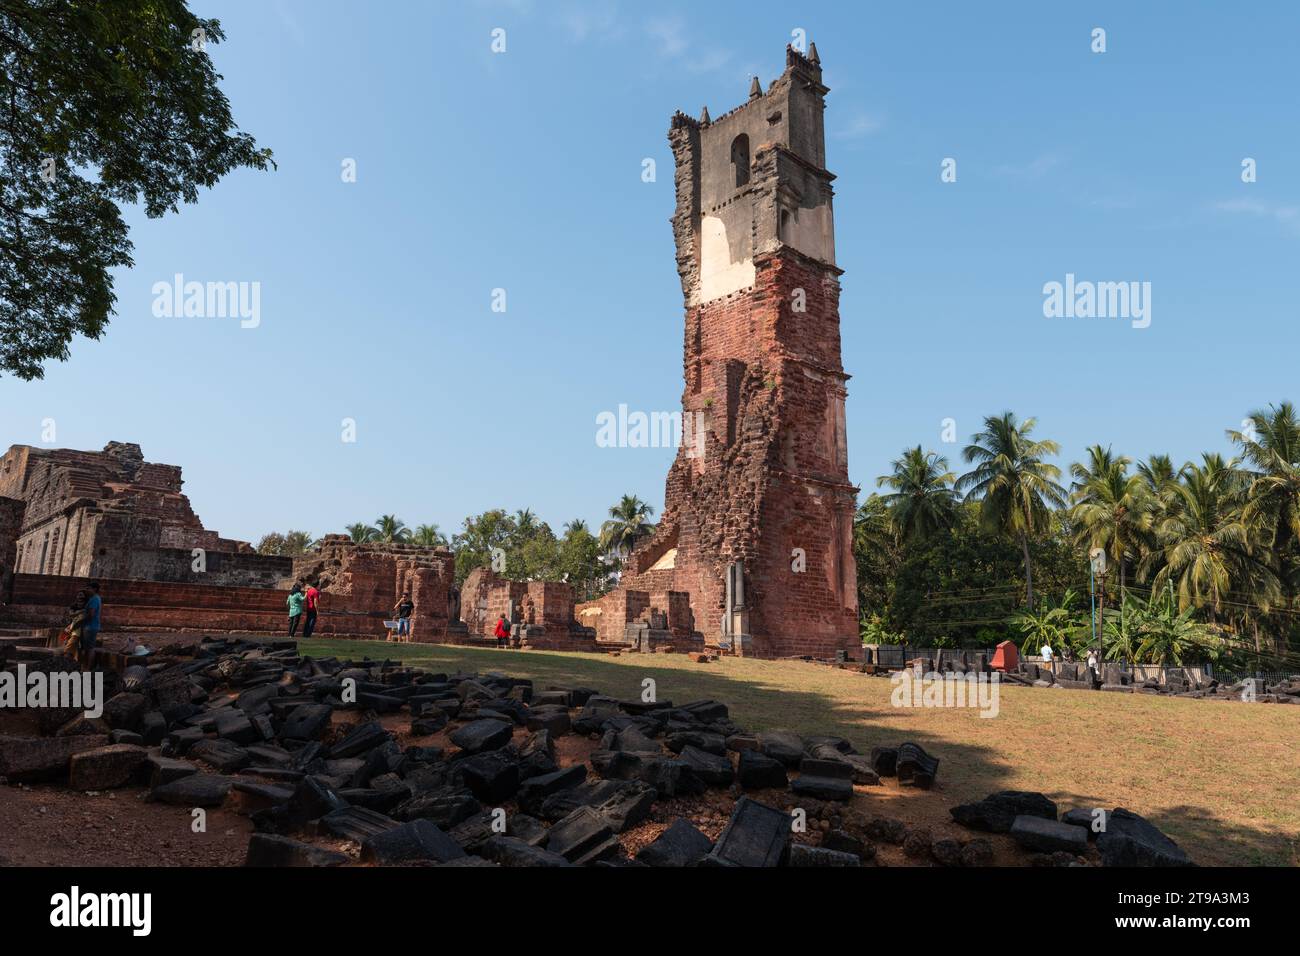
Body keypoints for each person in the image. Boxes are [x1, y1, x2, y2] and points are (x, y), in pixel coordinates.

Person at [81, 581, 102, 671]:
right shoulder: (94, 598)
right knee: (87, 648)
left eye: (88, 588)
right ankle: (85, 667)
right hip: (90, 626)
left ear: (94, 589)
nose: (87, 590)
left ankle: (88, 668)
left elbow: (91, 614)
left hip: (90, 627)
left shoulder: (94, 599)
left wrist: (81, 619)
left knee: (89, 649)